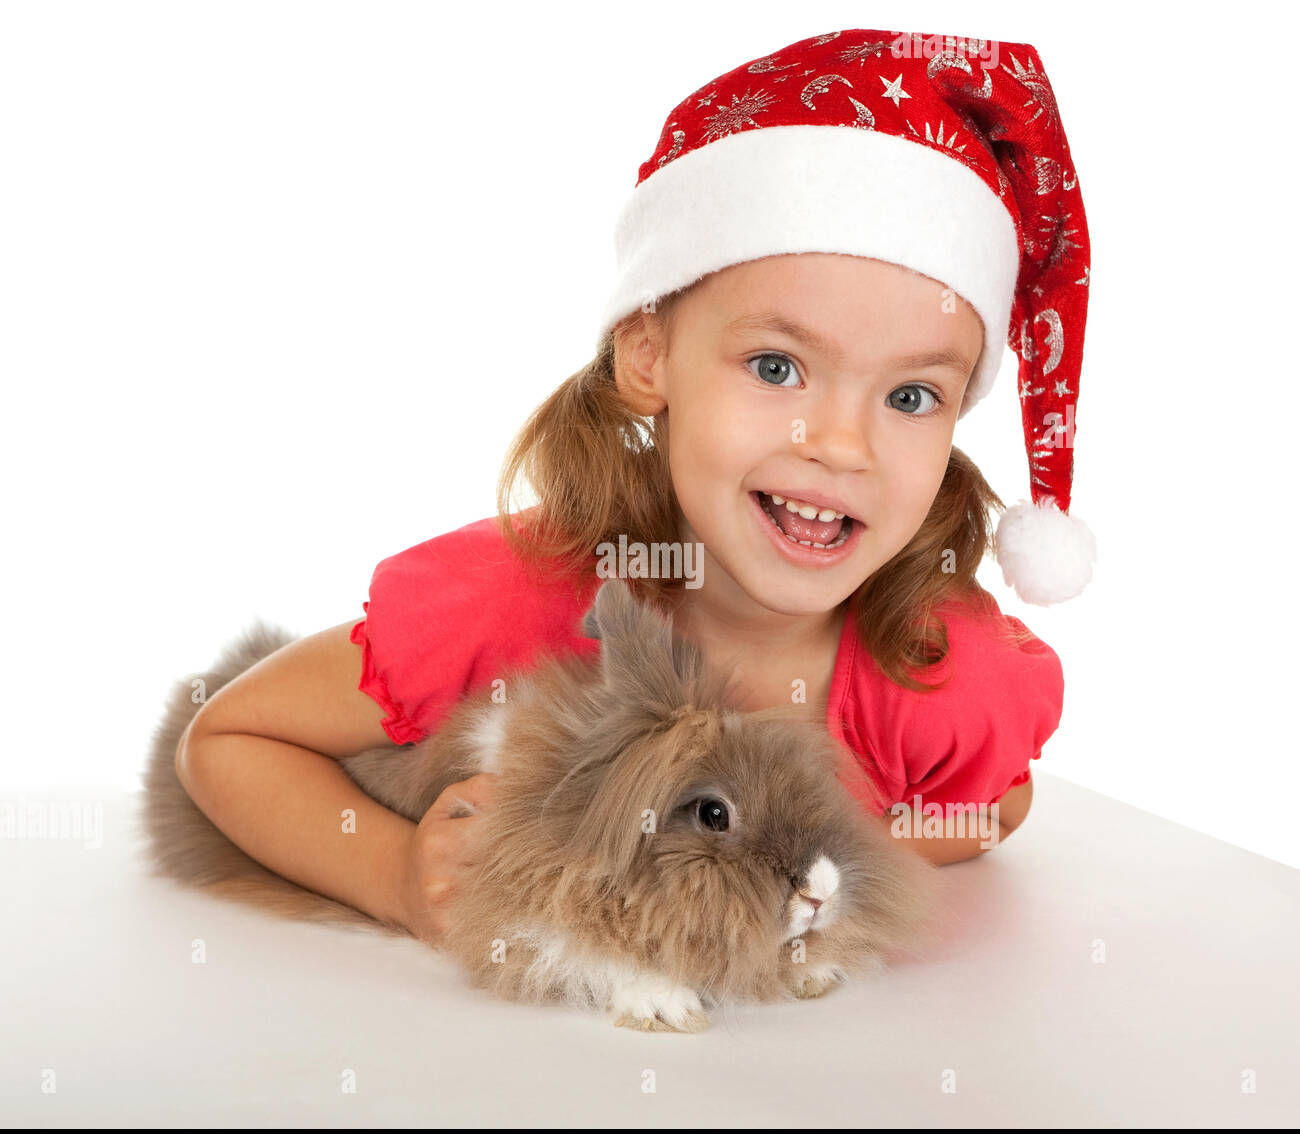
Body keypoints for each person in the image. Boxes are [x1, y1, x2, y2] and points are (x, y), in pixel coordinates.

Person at [175, 27, 1095, 946]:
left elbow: (998, 806)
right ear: (648, 356)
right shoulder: (511, 603)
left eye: (910, 396)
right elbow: (229, 739)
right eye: (777, 367)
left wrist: (824, 853)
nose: (842, 446)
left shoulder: (942, 670)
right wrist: (393, 876)